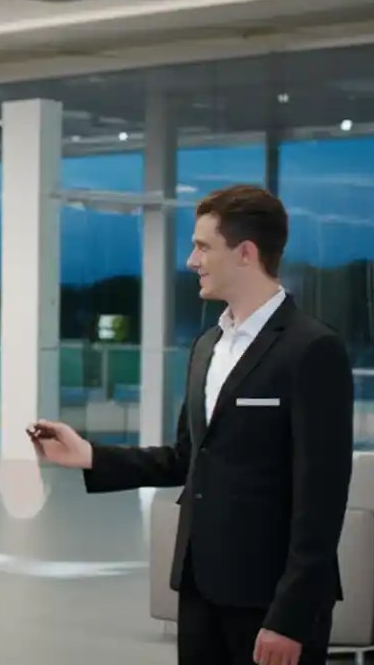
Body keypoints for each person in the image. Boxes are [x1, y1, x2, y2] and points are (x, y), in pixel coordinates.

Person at [29, 184, 354, 665]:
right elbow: (189, 458)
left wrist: (290, 615)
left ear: (245, 253)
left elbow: (322, 497)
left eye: (203, 246)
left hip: (271, 601)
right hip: (201, 587)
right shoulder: (207, 346)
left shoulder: (312, 349)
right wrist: (90, 455)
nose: (191, 260)